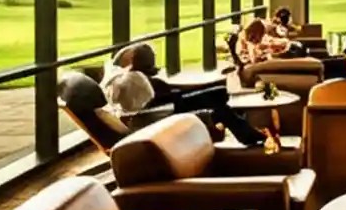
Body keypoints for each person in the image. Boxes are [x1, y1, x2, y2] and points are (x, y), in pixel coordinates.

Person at [102, 42, 266, 146]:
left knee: (220, 95)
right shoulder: (132, 80)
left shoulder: (128, 78)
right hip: (165, 112)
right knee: (219, 104)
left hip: (168, 105)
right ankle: (248, 134)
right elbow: (146, 102)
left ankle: (246, 131)